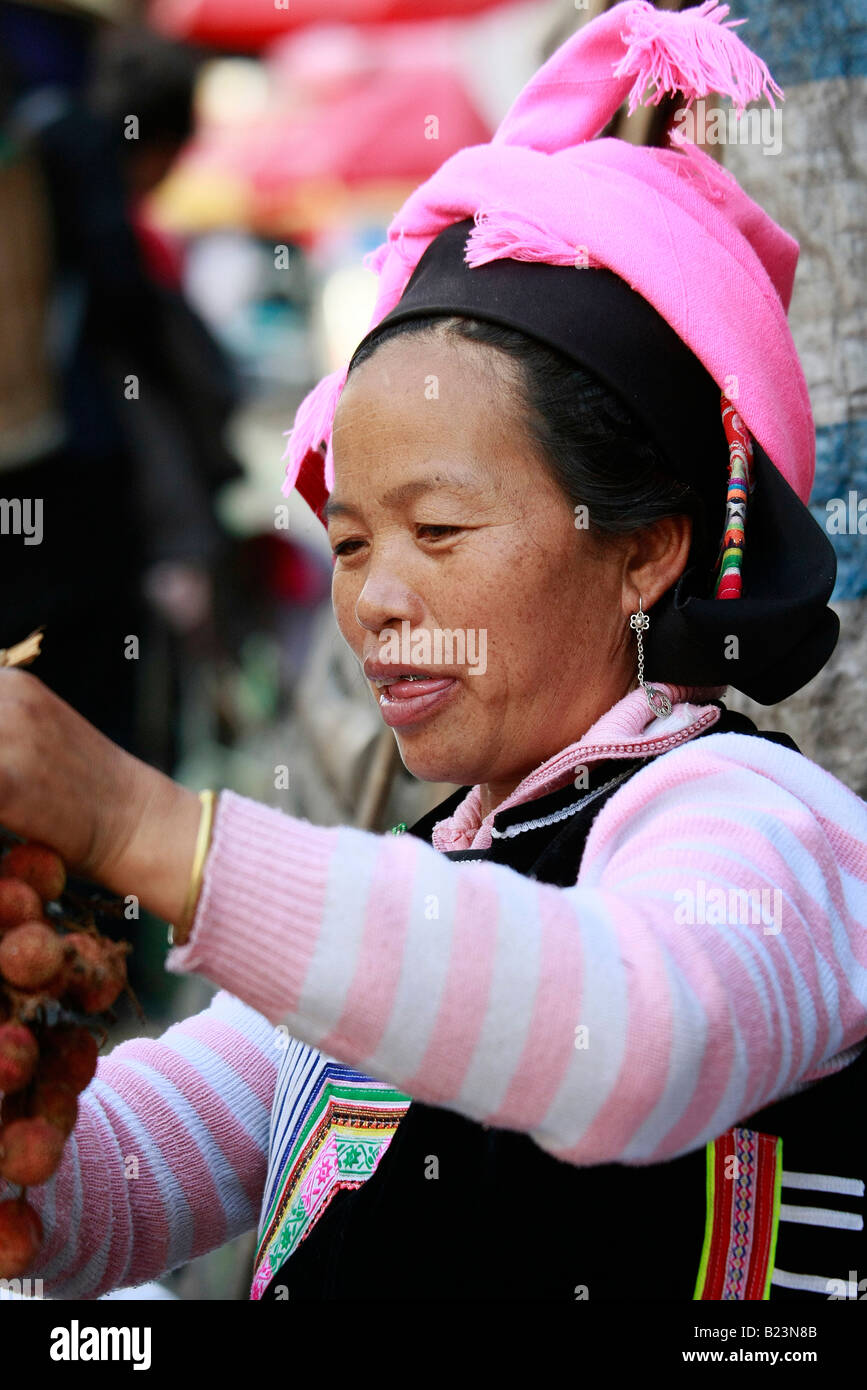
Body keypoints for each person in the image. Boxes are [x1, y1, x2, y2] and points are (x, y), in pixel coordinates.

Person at [0, 1, 865, 1301]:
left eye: (441, 528)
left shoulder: (766, 828)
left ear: (646, 547)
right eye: (347, 544)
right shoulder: (405, 891)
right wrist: (29, 1115)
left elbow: (627, 1033)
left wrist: (142, 827)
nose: (377, 600)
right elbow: (120, 1186)